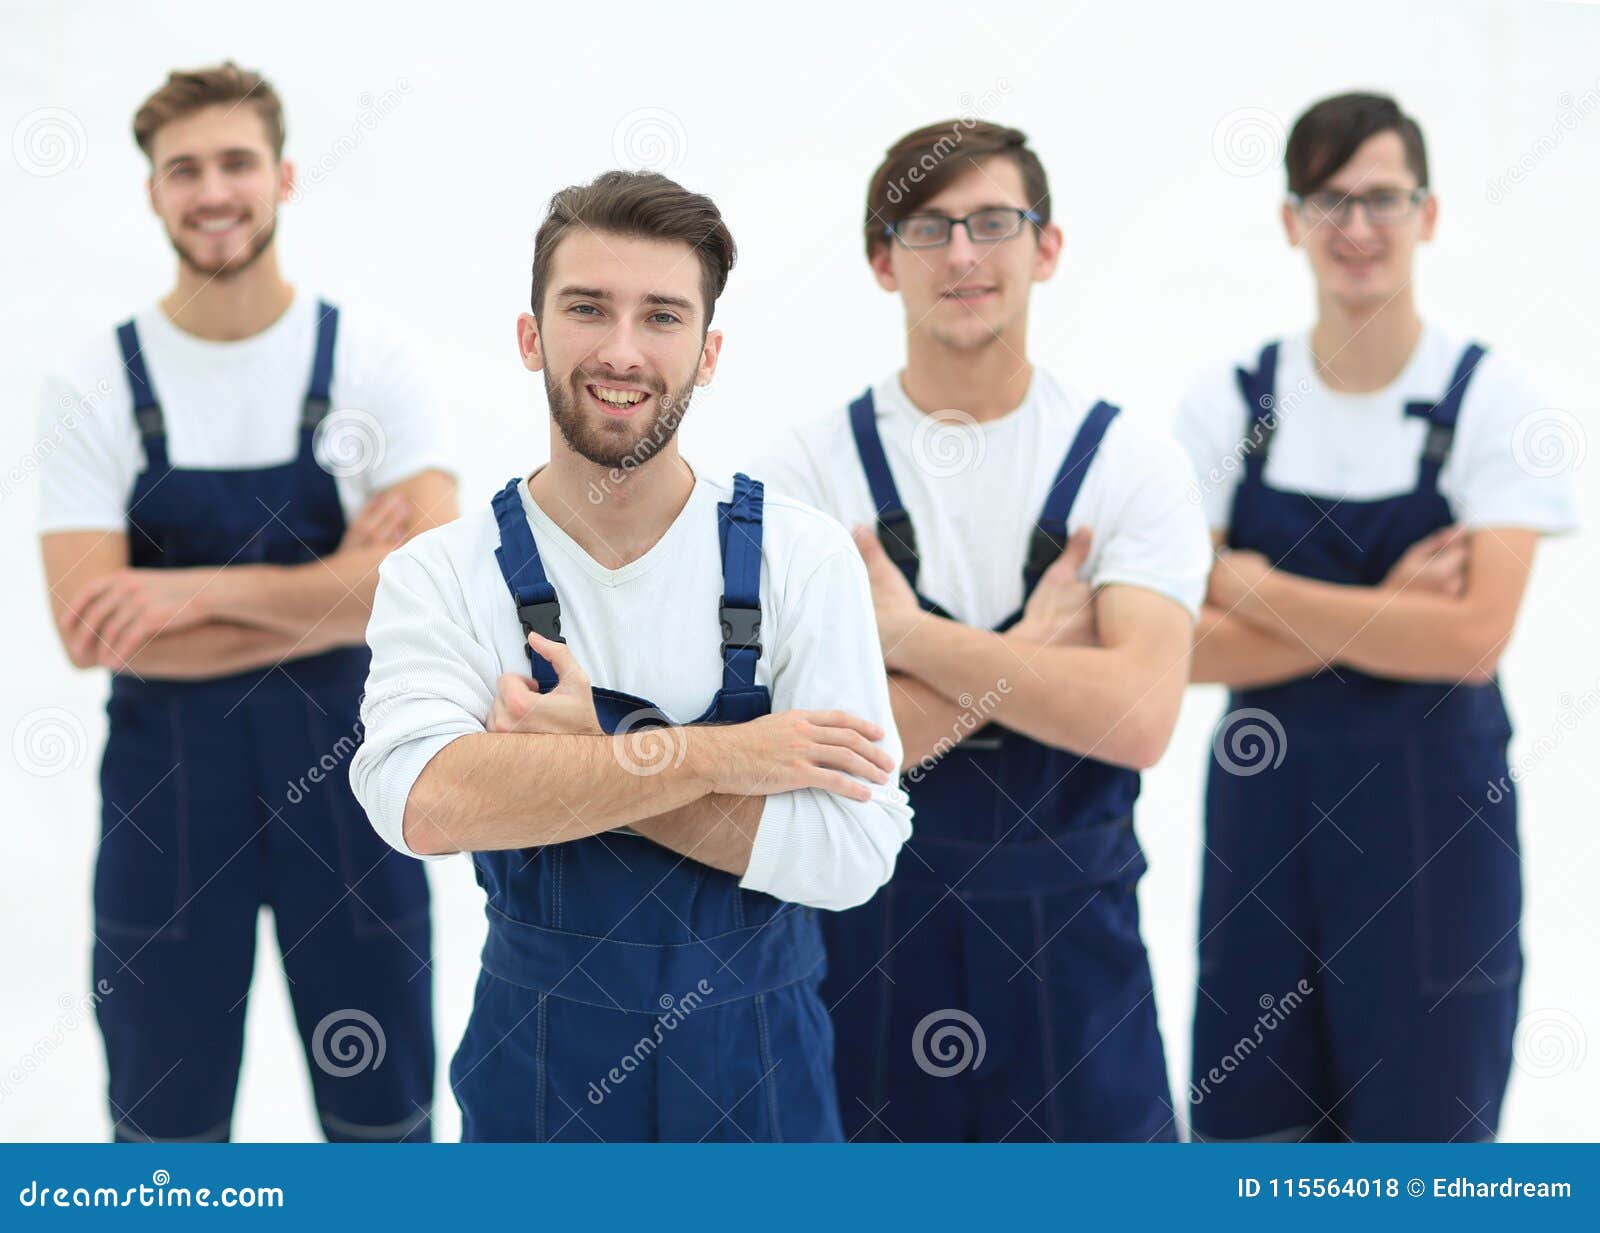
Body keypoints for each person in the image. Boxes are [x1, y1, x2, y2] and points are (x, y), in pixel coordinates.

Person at [349, 170, 912, 1142]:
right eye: (586, 309)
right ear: (530, 336)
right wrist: (726, 755)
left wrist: (575, 754)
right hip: (538, 1080)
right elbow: (422, 804)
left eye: (660, 316)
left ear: (707, 350)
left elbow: (853, 854)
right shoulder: (441, 572)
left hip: (761, 1082)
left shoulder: (800, 555)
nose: (621, 350)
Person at [755, 121, 1211, 1142]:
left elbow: (1138, 719)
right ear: (883, 262)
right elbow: (816, 761)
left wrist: (903, 639)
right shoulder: (802, 476)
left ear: (1045, 248)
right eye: (927, 228)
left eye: (992, 223)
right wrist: (1041, 656)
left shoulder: (1131, 464)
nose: (962, 254)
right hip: (859, 962)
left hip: (1078, 981)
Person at [36, 63, 457, 1142]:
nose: (212, 191)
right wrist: (335, 587)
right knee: (161, 1143)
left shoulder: (374, 359)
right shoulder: (91, 386)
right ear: (153, 194)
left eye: (235, 163)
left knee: (385, 1132)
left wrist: (180, 597)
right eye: (184, 169)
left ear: (283, 177)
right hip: (164, 811)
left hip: (354, 802)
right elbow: (89, 631)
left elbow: (430, 591)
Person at [1176, 92, 1580, 1142]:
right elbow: (1172, 649)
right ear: (1289, 220)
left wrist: (1250, 586)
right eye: (1329, 199)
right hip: (1265, 842)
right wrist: (1388, 613)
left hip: (1432, 846)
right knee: (1248, 1161)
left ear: (1428, 215)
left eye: (1382, 200)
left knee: (1425, 1168)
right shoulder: (1226, 405)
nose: (1357, 227)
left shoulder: (1495, 401)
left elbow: (1472, 637)